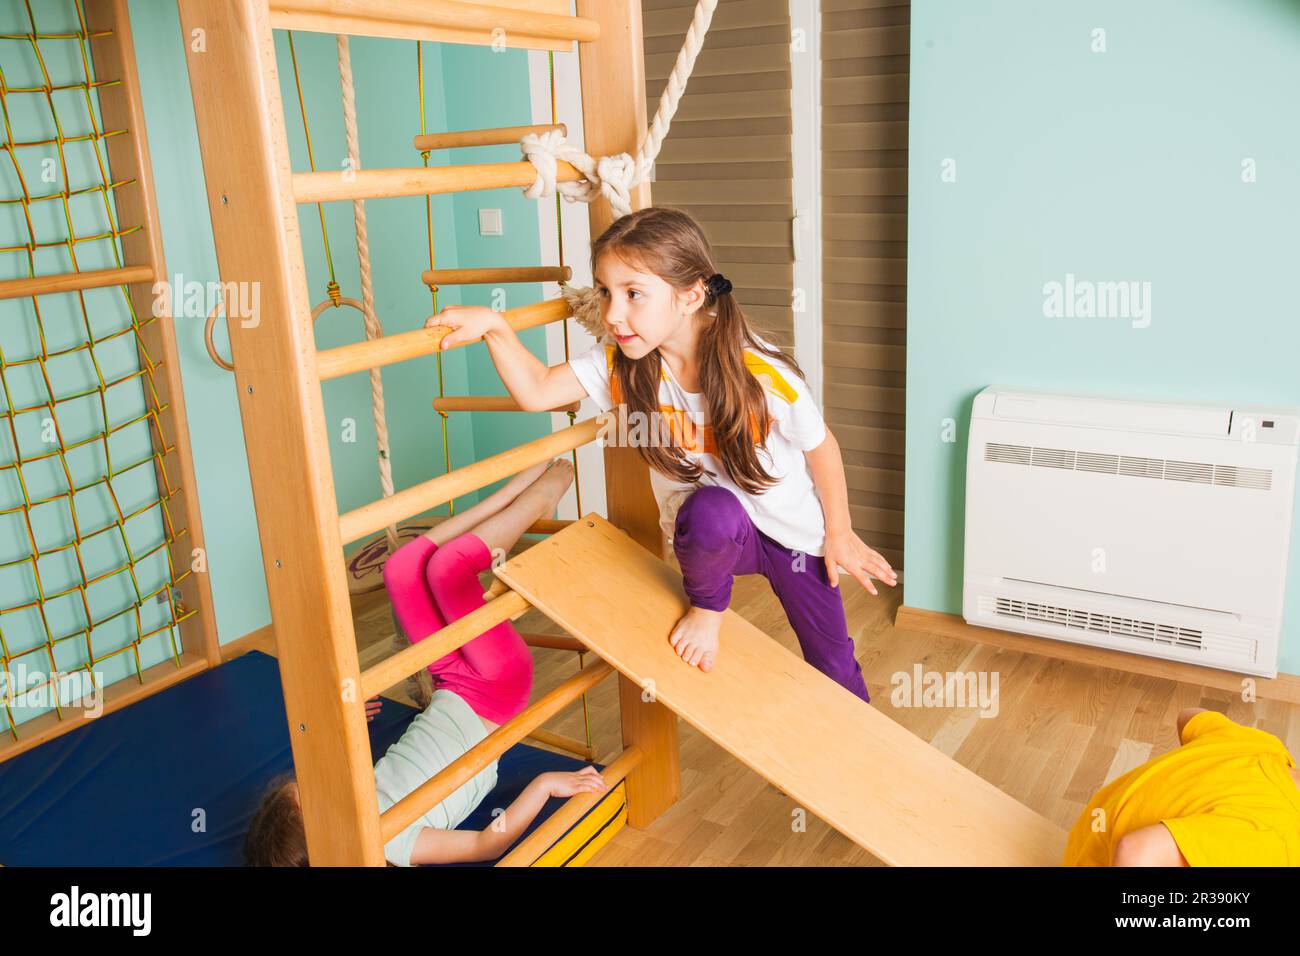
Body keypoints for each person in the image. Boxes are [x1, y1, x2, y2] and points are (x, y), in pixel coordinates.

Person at [428, 205, 896, 703]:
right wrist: (496, 328)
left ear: (692, 295)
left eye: (633, 294)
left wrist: (840, 533)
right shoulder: (623, 365)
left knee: (834, 661)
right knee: (713, 510)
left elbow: (820, 445)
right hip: (713, 538)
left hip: (794, 535)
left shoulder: (758, 371)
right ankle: (708, 609)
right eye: (606, 292)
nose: (612, 314)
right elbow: (538, 389)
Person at [244, 460, 608, 866]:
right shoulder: (393, 843)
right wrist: (544, 785)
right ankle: (539, 496)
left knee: (400, 570)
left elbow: (349, 758)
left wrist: (349, 724)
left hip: (450, 683)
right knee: (448, 570)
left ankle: (512, 493)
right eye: (313, 796)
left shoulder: (357, 801)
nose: (320, 785)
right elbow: (481, 846)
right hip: (495, 694)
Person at [1064, 707, 1300, 866]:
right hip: (1097, 858)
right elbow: (1135, 851)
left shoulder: (1267, 745)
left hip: (1093, 826)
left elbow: (1189, 715)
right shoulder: (1278, 838)